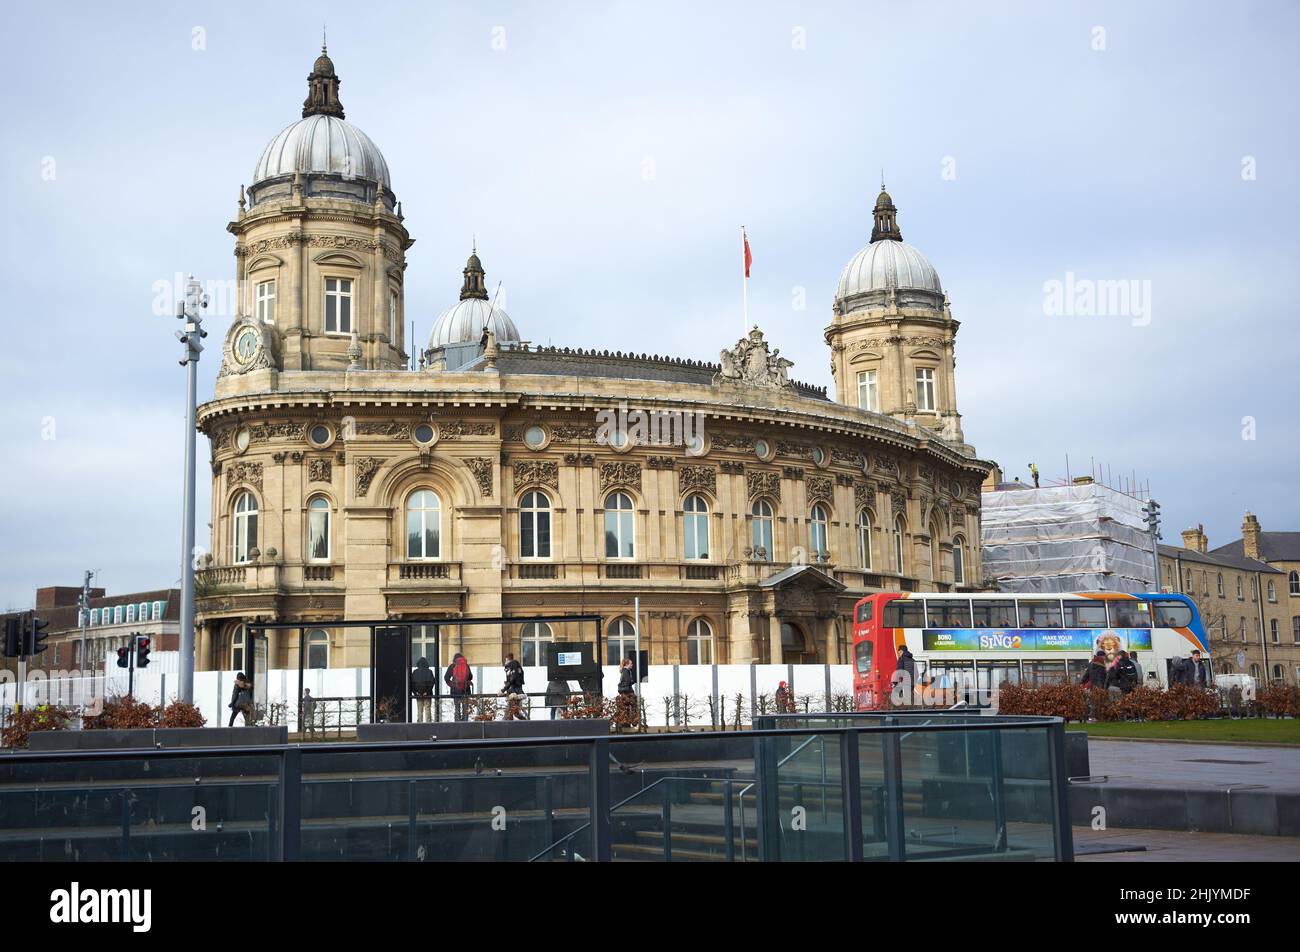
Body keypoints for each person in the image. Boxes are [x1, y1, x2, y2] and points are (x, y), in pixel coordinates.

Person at [444, 652, 473, 721]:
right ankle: (465, 725)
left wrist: (452, 685)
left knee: (457, 708)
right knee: (465, 709)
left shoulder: (452, 666)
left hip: (456, 691)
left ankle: (457, 724)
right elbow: (470, 677)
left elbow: (446, 678)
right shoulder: (466, 665)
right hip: (466, 690)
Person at [501, 652, 526, 720]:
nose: (505, 662)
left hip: (513, 692)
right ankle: (526, 722)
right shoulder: (518, 666)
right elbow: (518, 679)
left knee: (509, 711)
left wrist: (503, 689)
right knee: (515, 711)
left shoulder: (510, 666)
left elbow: (511, 680)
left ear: (507, 659)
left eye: (505, 660)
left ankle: (504, 724)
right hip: (519, 691)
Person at [411, 657, 435, 723]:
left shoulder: (415, 672)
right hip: (427, 694)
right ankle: (428, 723)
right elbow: (432, 682)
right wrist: (427, 692)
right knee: (427, 709)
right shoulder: (429, 671)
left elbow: (412, 684)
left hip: (418, 694)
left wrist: (416, 693)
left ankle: (419, 723)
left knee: (419, 709)